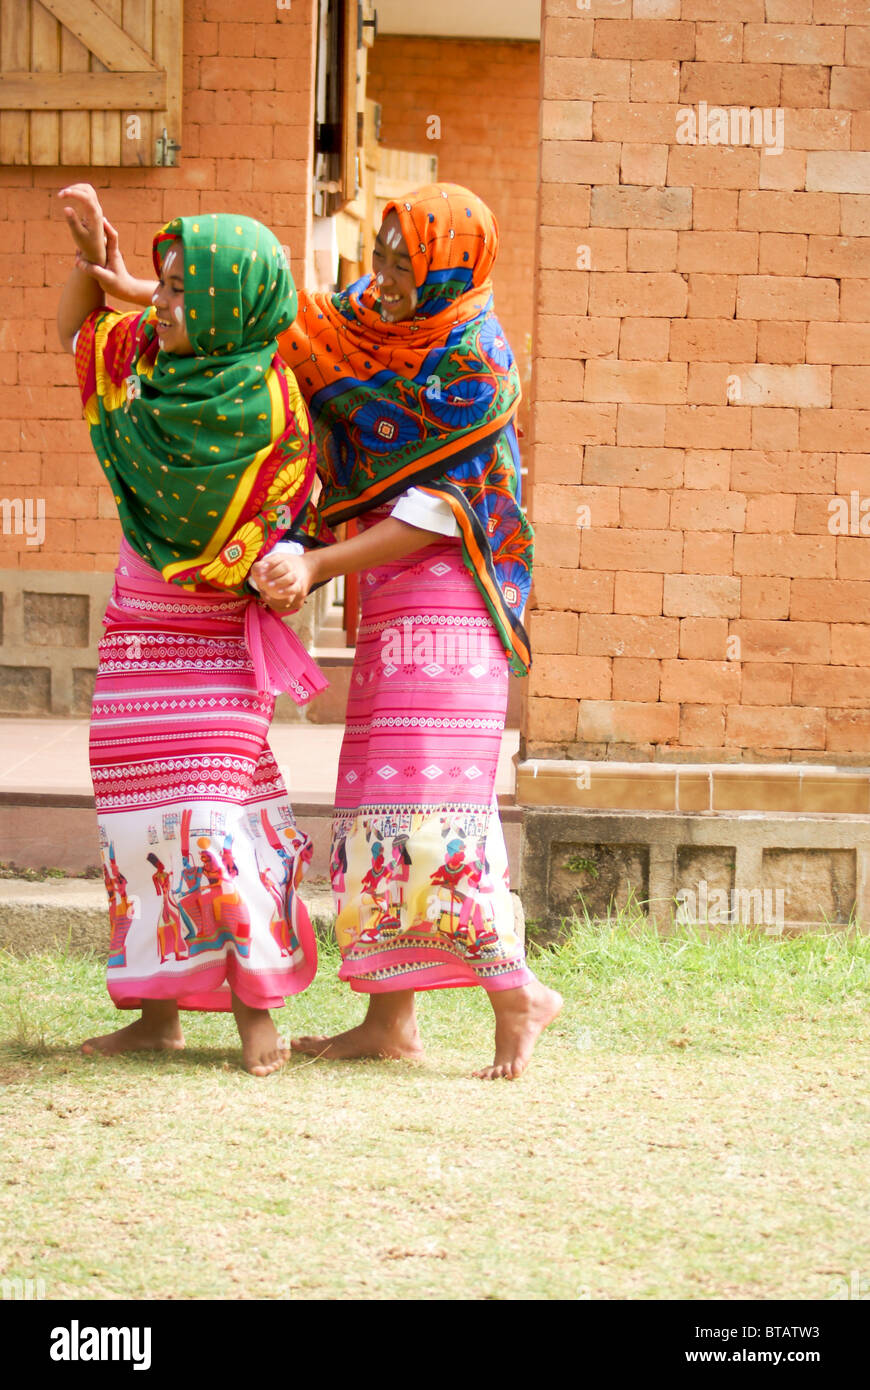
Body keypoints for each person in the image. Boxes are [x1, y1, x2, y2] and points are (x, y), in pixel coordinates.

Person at [254, 184, 563, 1079]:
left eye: (402, 263)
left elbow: (439, 511)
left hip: (456, 604)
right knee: (380, 810)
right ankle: (390, 1022)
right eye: (379, 256)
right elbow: (285, 323)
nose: (383, 279)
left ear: (448, 266)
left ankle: (519, 995)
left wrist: (314, 564)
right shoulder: (370, 322)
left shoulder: (478, 360)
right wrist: (130, 286)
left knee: (433, 819)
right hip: (391, 595)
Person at [57, 184, 327, 1075]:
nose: (164, 304)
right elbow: (75, 332)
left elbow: (298, 527)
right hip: (141, 621)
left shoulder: (280, 409)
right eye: (163, 286)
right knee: (138, 818)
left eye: (180, 291)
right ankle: (157, 1011)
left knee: (210, 821)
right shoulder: (151, 357)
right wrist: (93, 252)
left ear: (225, 301)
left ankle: (257, 1011)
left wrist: (289, 566)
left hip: (218, 638)